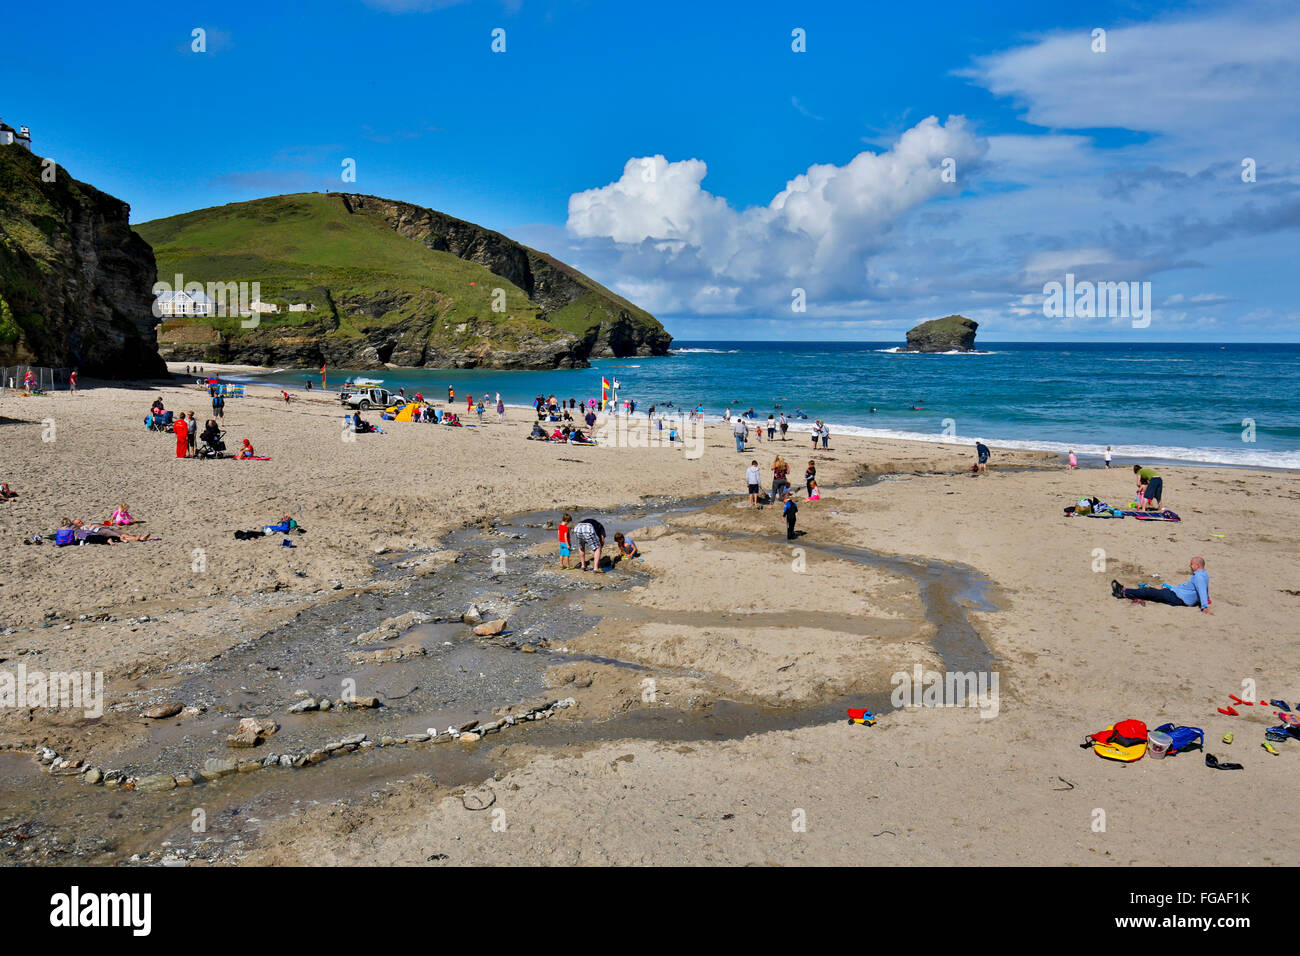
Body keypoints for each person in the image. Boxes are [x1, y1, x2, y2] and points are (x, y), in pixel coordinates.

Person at [1111, 557, 1211, 613]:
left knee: (1150, 591)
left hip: (1178, 598)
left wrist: (1204, 607)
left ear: (1197, 566)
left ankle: (1123, 592)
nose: (1190, 565)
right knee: (1153, 593)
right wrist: (1171, 588)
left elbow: (1202, 590)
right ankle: (1127, 592)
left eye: (1192, 564)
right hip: (1176, 594)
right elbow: (1202, 589)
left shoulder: (1199, 577)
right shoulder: (1203, 574)